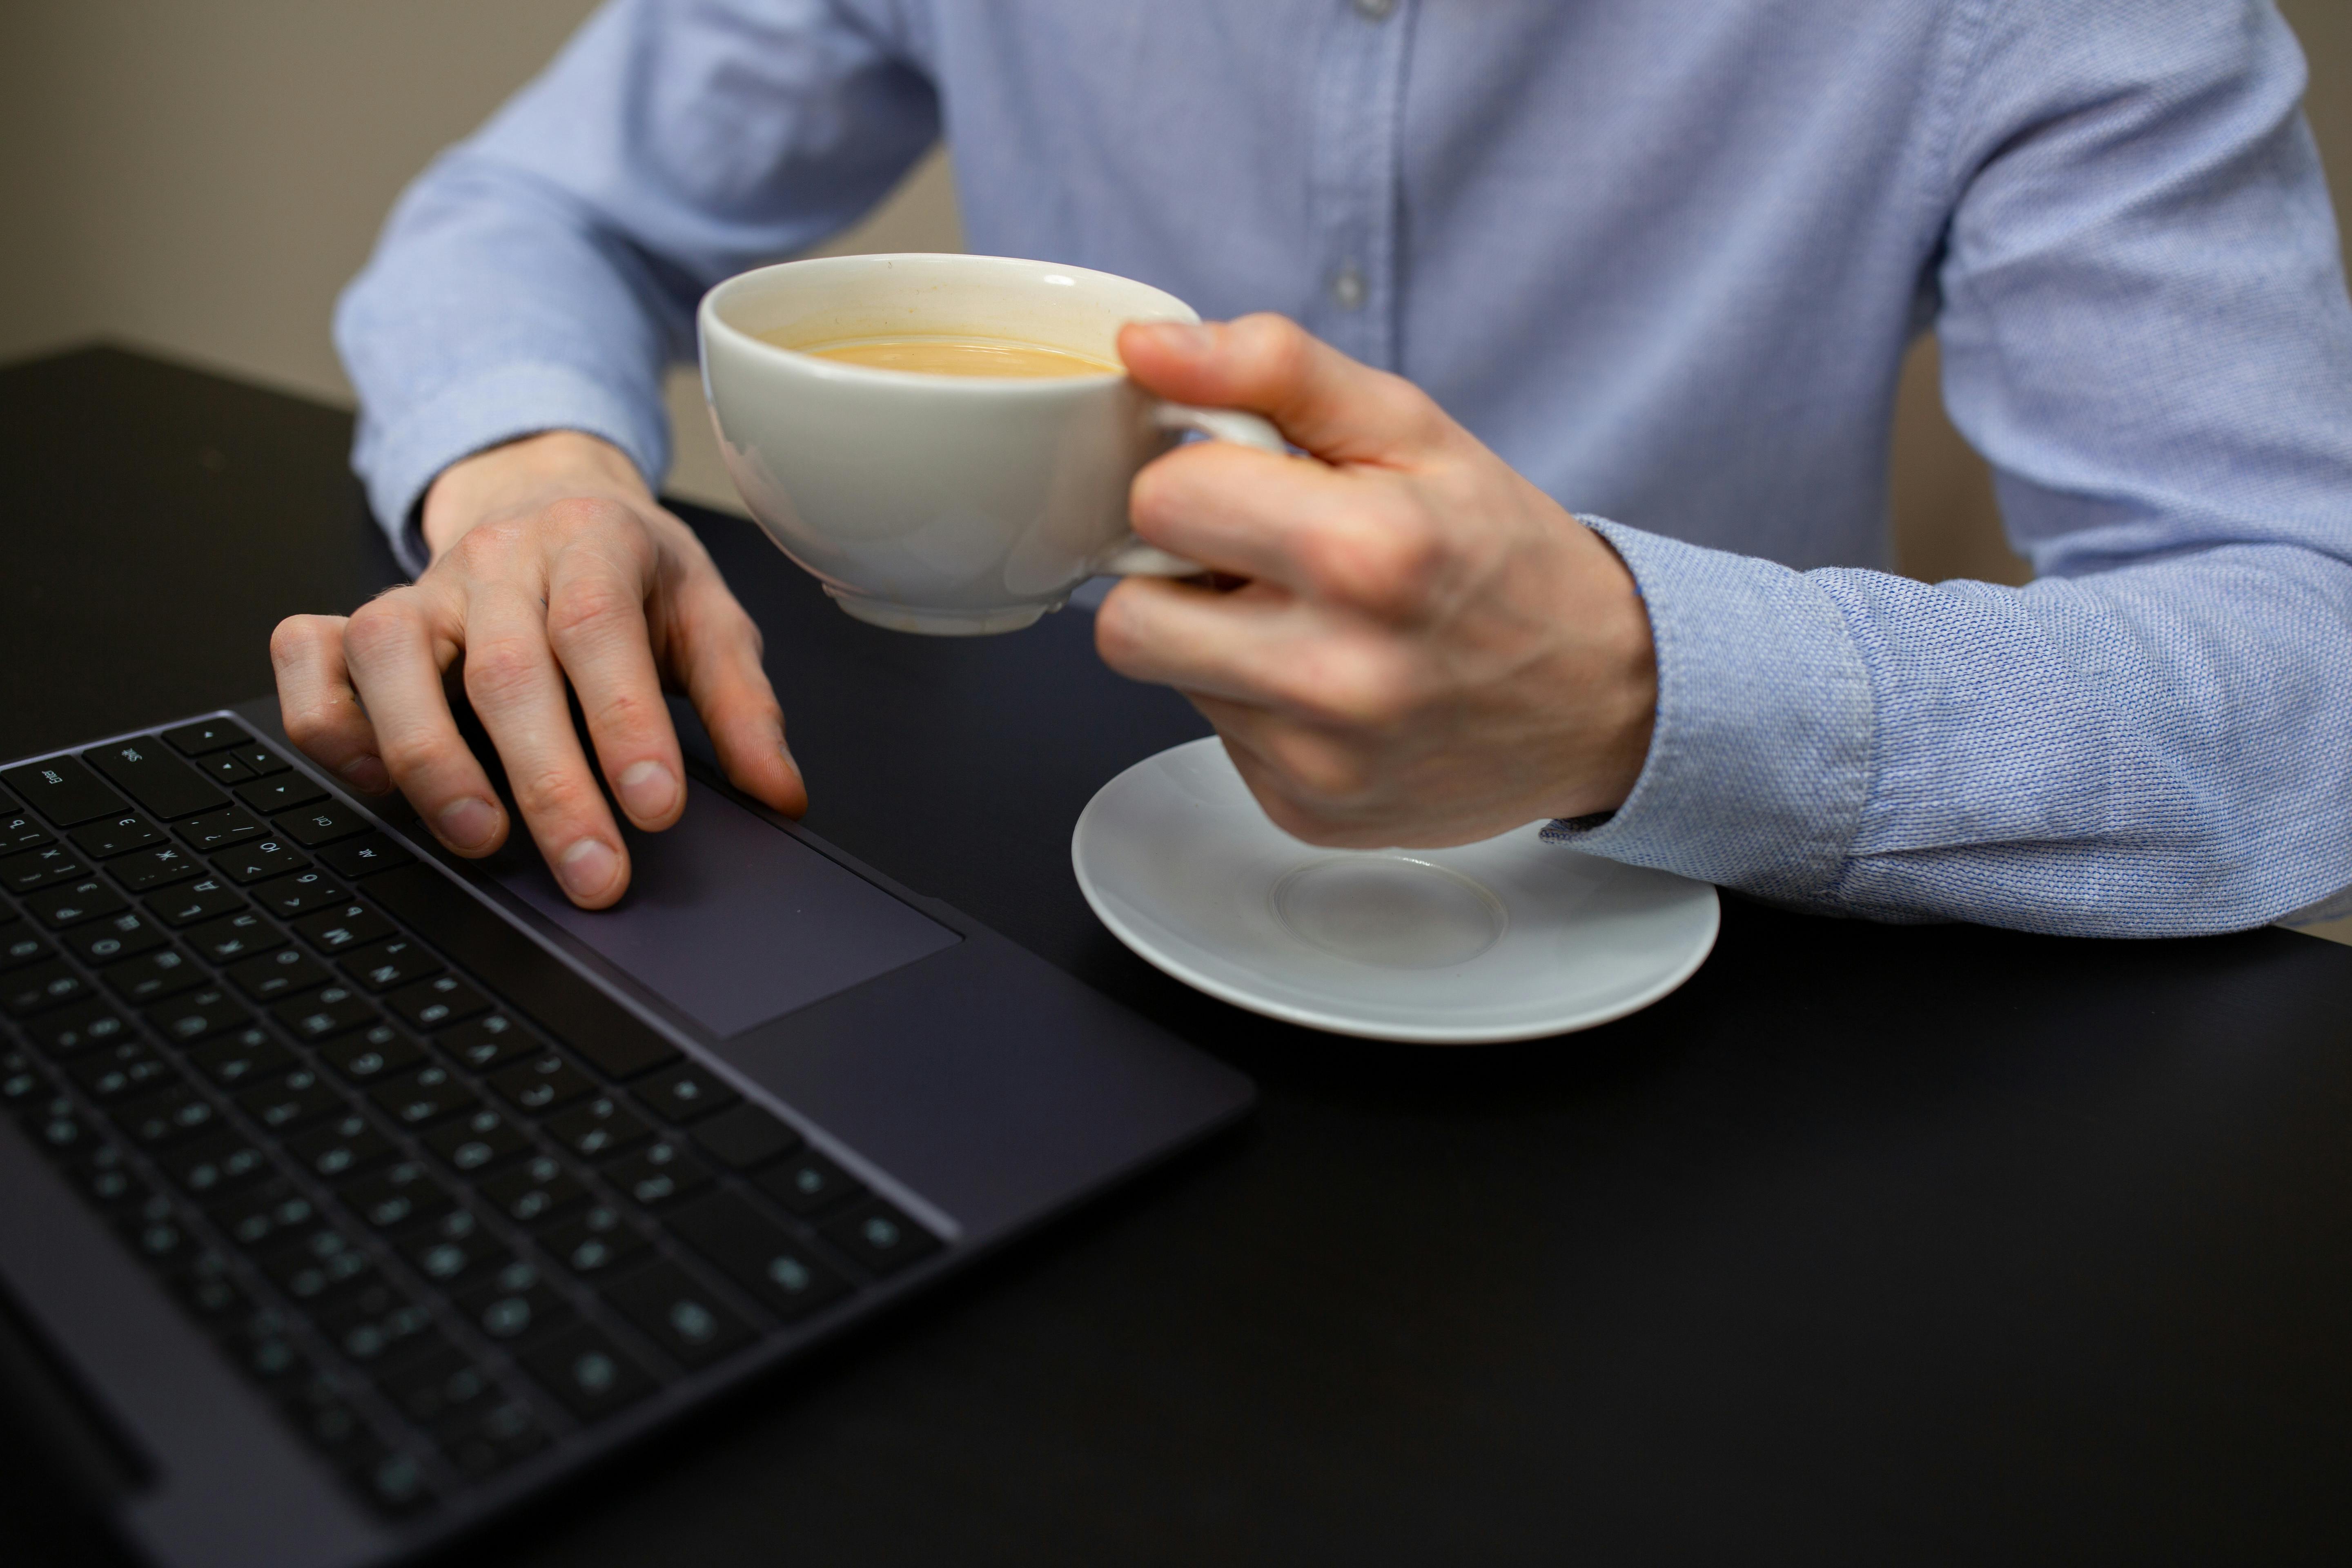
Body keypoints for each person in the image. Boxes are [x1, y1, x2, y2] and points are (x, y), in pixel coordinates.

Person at [273, 0, 2352, 937]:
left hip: (1738, 992)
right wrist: (533, 477)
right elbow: (527, 213)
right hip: (1025, 921)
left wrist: (1649, 684)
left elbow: (2308, 645)